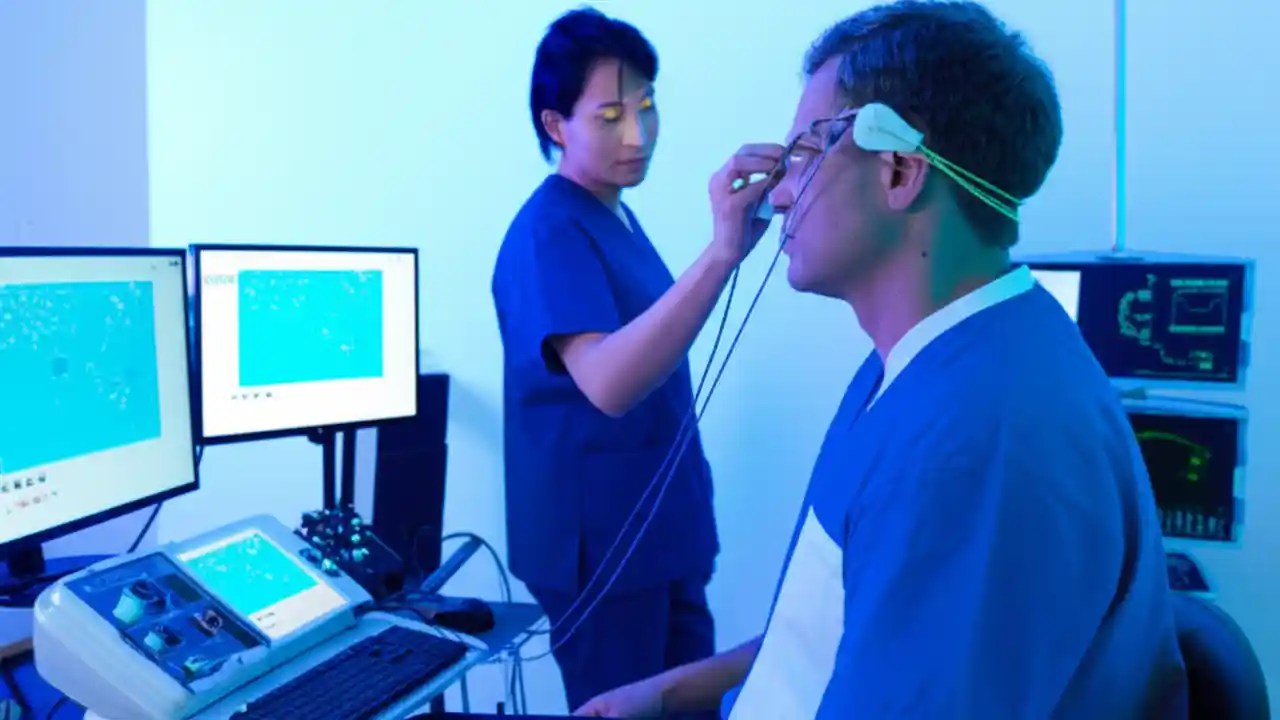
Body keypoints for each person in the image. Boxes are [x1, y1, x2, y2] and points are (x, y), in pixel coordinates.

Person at [575, 2, 1190, 718]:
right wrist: (668, 690)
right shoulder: (926, 364)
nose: (774, 193)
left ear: (898, 170)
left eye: (802, 153)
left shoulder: (977, 439)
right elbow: (852, 618)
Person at [490, 7, 779, 715]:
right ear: (555, 125)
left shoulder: (613, 213)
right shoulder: (548, 231)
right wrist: (720, 253)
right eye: (611, 115)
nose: (638, 134)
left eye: (647, 109)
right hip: (603, 548)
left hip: (660, 531)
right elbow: (611, 382)